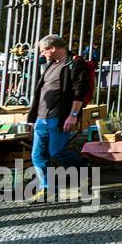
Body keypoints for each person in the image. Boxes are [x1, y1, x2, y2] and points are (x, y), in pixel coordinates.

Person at [26, 34, 90, 202]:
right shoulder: (50, 64)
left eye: (43, 50)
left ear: (53, 48)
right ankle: (48, 188)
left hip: (59, 117)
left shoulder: (74, 63)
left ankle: (84, 169)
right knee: (38, 155)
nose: (41, 54)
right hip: (42, 118)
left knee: (57, 152)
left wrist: (73, 115)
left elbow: (79, 92)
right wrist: (33, 118)